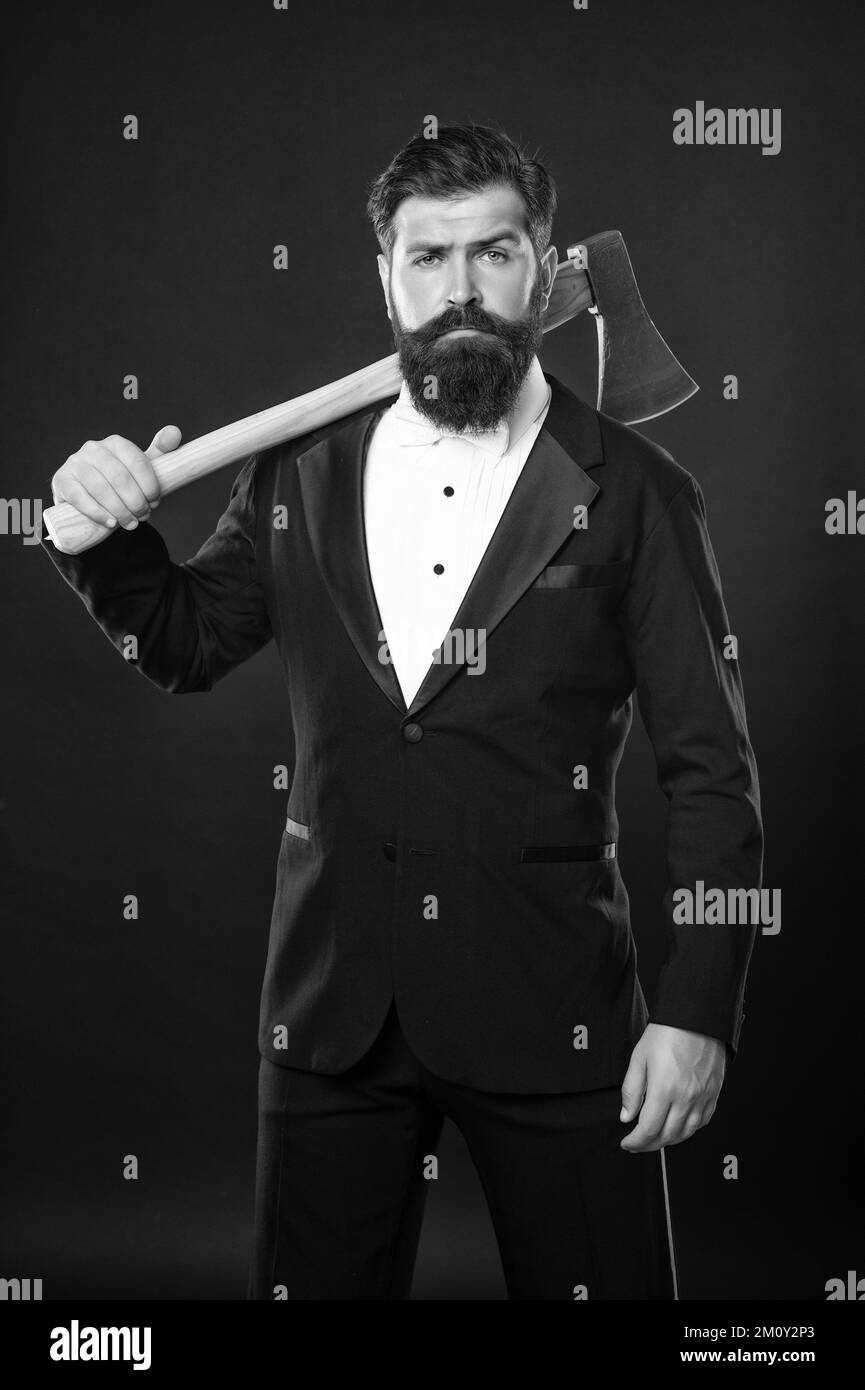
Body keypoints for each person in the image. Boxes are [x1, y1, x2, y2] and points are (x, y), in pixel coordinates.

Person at [43, 122, 763, 1300]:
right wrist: (93, 527)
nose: (461, 287)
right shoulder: (298, 470)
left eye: (493, 253)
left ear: (545, 268)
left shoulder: (637, 493)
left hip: (558, 1011)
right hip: (334, 1015)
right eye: (428, 259)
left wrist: (696, 1014)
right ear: (383, 276)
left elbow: (713, 773)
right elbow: (180, 643)